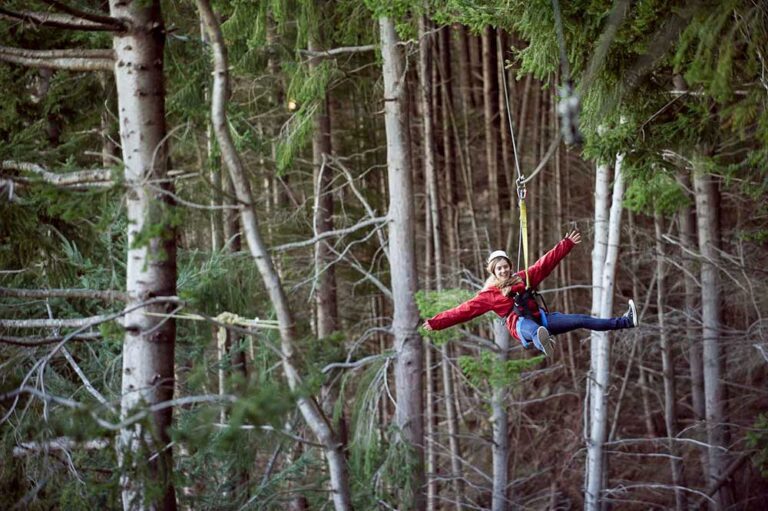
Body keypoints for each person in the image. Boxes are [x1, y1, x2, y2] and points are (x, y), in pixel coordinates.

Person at [422, 230, 638, 355]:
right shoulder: (489, 295)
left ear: (509, 266)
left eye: (505, 267)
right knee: (533, 329)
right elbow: (462, 311)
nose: (503, 270)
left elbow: (546, 263)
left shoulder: (523, 277)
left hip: (542, 319)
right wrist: (436, 322)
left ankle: (625, 322)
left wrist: (566, 244)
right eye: (499, 269)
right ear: (494, 272)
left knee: (581, 319)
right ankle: (543, 343)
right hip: (520, 326)